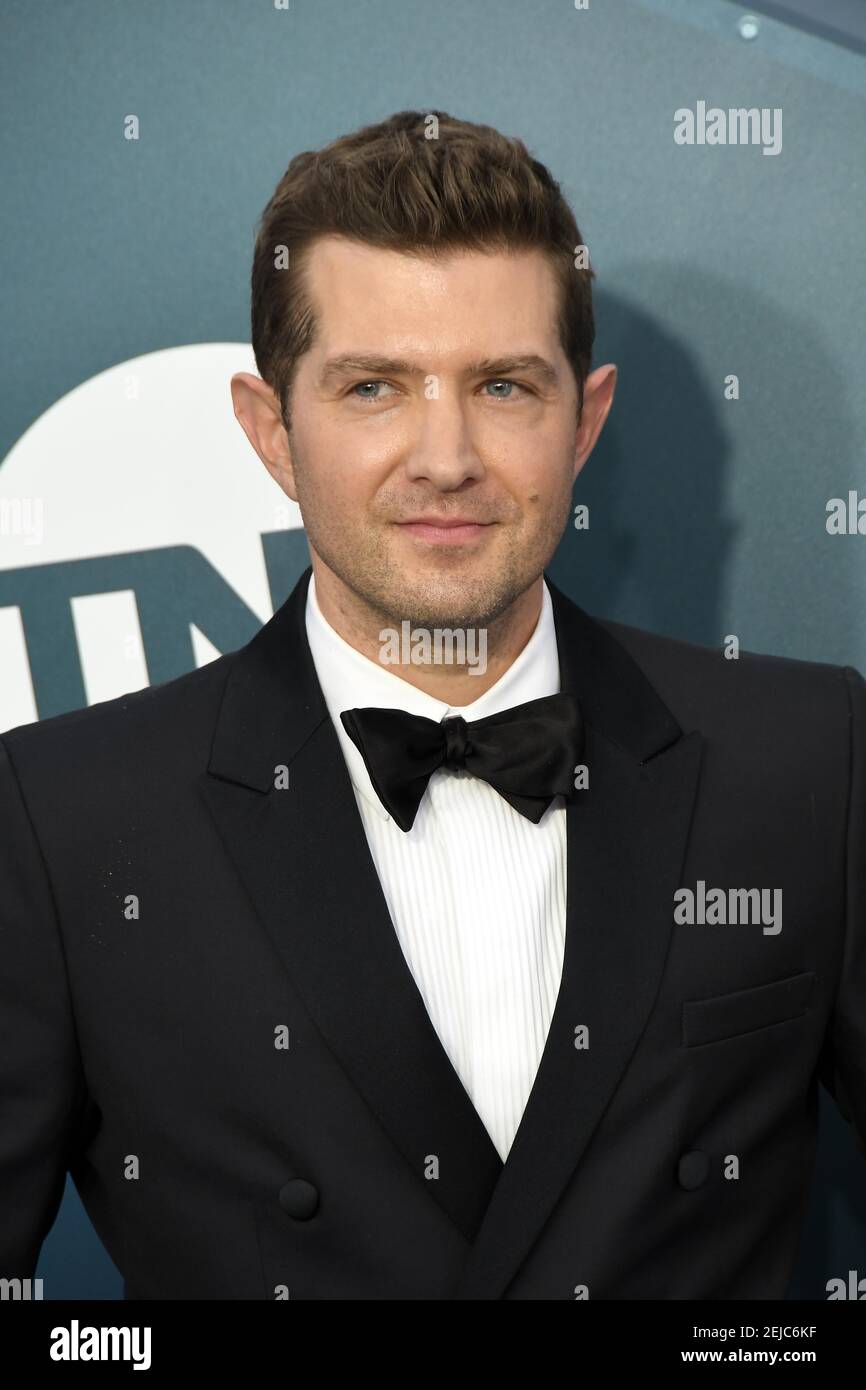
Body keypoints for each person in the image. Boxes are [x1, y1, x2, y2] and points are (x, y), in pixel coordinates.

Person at [1, 110, 863, 1301]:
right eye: (372, 389)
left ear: (585, 419)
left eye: (503, 385)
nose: (444, 455)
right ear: (271, 431)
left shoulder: (807, 762)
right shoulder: (64, 822)